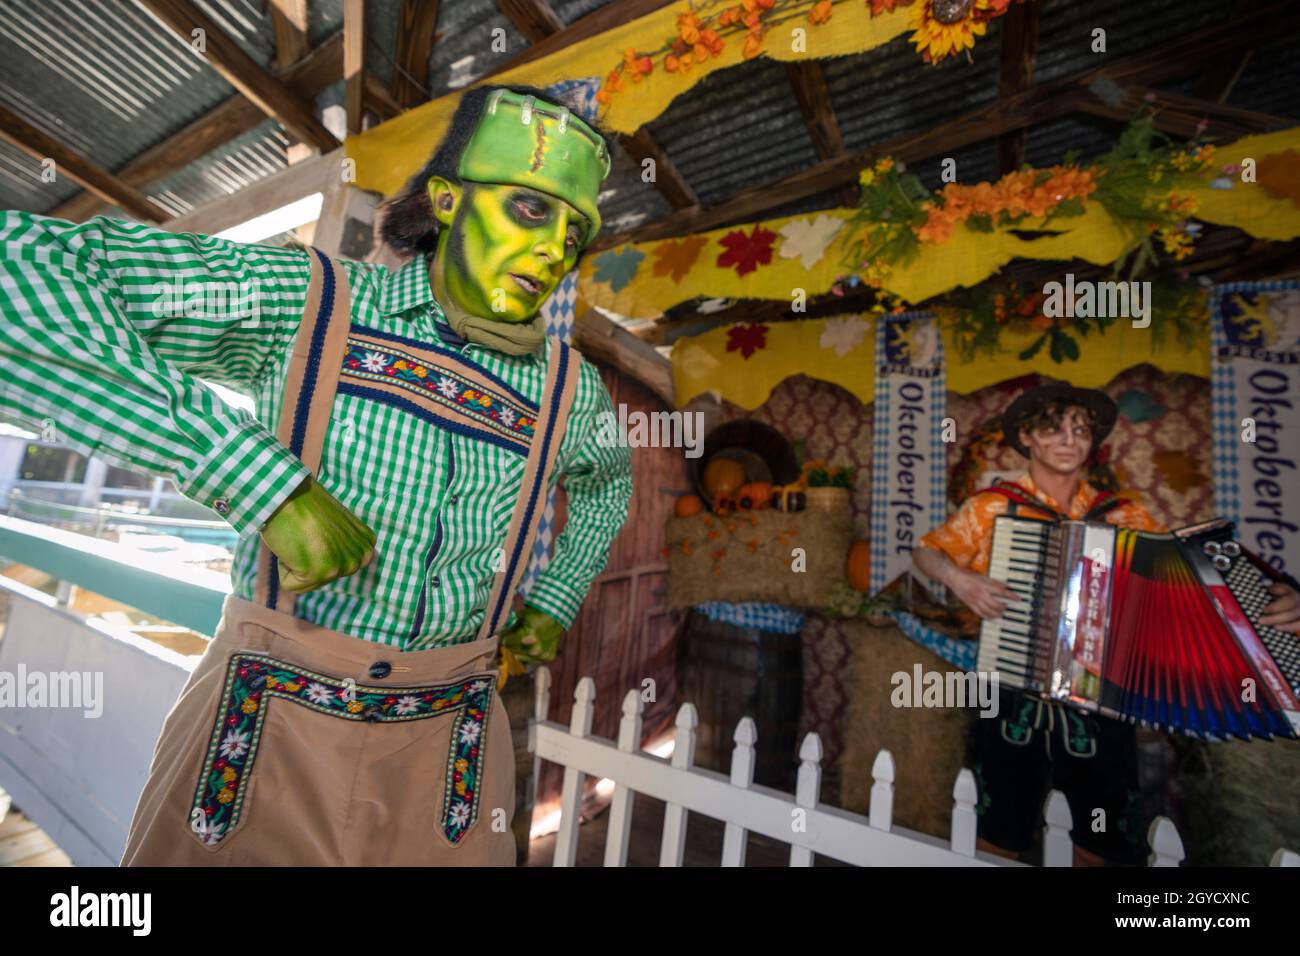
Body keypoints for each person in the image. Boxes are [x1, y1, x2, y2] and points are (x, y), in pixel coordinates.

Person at [0, 83, 633, 865]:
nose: (553, 250)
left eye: (575, 232)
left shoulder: (571, 389)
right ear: (445, 199)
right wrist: (259, 479)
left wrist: (557, 599)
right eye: (532, 210)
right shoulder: (309, 300)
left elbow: (609, 486)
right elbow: (20, 274)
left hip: (455, 754)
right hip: (260, 732)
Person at [912, 382, 1300, 865]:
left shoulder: (1125, 515)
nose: (1070, 439)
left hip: (1105, 695)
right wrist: (959, 578)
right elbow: (926, 552)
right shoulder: (993, 507)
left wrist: (1271, 595)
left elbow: (1190, 586)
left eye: (1080, 430)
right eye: (1054, 428)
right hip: (1011, 690)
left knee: (1104, 838)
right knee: (999, 830)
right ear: (1028, 438)